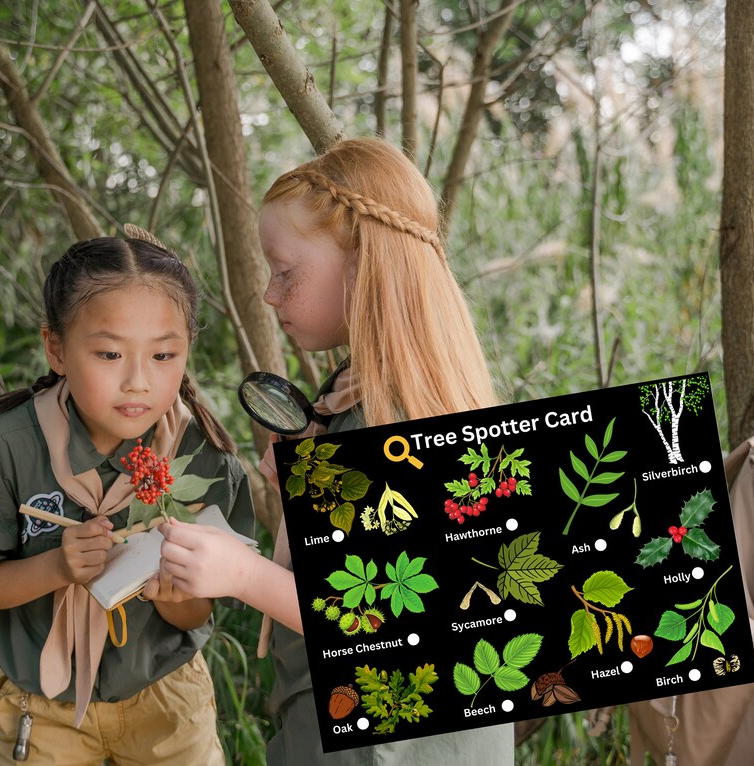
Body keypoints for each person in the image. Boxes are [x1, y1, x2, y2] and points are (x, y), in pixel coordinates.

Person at [159, 137, 514, 763]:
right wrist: (321, 486)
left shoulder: (387, 413)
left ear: (362, 262)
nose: (270, 294)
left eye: (286, 271)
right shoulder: (377, 390)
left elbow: (389, 620)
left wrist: (241, 574)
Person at [0, 235, 254, 765]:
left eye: (164, 355)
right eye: (109, 354)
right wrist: (56, 566)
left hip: (166, 698)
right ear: (56, 348)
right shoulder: (6, 450)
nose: (138, 381)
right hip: (43, 705)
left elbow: (199, 613)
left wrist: (175, 596)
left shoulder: (201, 459)